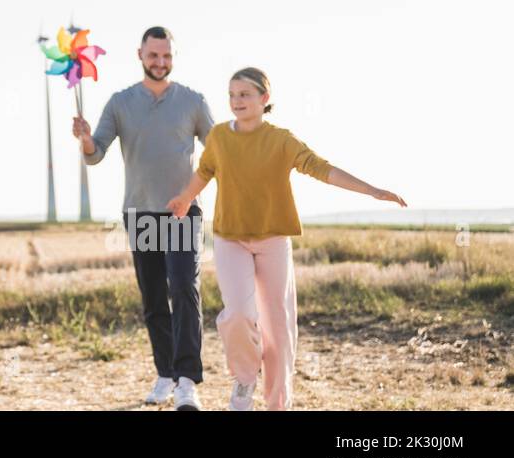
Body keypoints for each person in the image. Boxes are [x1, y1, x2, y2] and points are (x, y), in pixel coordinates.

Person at [167, 67, 407, 411]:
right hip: (230, 238)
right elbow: (205, 171)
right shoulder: (219, 137)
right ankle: (245, 379)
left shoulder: (281, 140)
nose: (237, 101)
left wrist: (371, 191)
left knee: (278, 330)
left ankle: (278, 404)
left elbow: (321, 168)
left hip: (273, 241)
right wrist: (186, 197)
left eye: (245, 95)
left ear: (265, 99)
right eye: (232, 95)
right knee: (237, 314)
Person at [72, 26, 215, 410]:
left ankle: (187, 380)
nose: (160, 62)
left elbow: (219, 150)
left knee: (184, 288)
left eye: (166, 56)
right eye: (154, 56)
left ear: (173, 56)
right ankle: (165, 373)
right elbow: (95, 151)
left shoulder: (193, 101)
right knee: (154, 299)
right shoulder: (120, 103)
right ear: (140, 55)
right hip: (140, 214)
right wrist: (85, 138)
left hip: (183, 212)